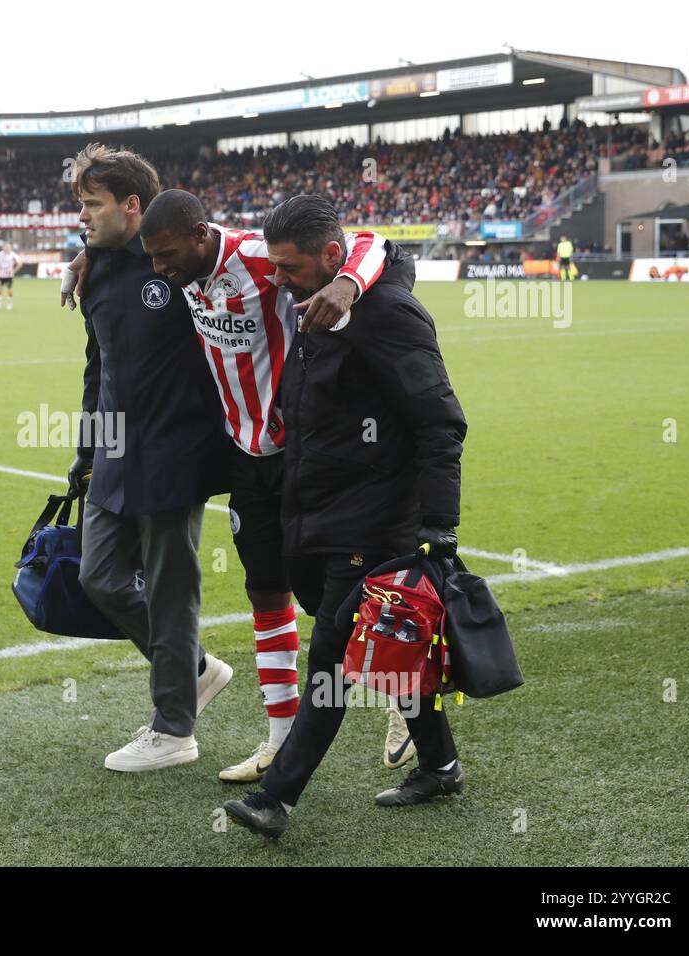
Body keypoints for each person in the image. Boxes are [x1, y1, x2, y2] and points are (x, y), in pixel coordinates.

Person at [135, 189, 414, 781]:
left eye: (165, 254)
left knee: (347, 594)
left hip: (304, 456)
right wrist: (84, 254)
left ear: (199, 233)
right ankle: (281, 740)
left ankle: (405, 702)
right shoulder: (178, 267)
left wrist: (346, 287)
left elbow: (373, 243)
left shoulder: (259, 256)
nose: (158, 267)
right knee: (266, 590)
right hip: (245, 456)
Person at [223, 195, 468, 840]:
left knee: (331, 658)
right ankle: (440, 764)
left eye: (290, 268)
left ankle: (276, 799)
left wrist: (439, 532)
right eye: (273, 268)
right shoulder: (315, 307)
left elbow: (441, 422)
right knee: (386, 649)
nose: (277, 281)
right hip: (316, 514)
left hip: (374, 524)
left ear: (334, 257)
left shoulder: (388, 314)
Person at [67, 144, 234, 773]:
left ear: (132, 205)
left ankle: (173, 731)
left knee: (170, 589)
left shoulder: (182, 259)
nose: (82, 217)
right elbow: (97, 364)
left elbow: (231, 251)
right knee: (99, 576)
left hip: (174, 448)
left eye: (92, 205)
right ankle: (193, 668)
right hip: (113, 448)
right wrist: (87, 445)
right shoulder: (96, 269)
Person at [0, 243, 21, 310]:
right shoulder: (0, 254)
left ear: (10, 248)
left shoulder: (13, 255)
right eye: (5, 247)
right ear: (3, 248)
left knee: (9, 289)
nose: (7, 249)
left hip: (9, 275)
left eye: (8, 247)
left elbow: (20, 263)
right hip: (1, 275)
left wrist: (14, 271)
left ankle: (9, 304)